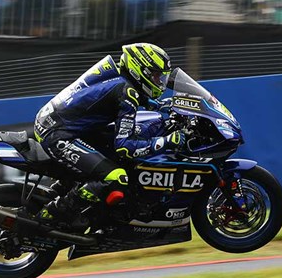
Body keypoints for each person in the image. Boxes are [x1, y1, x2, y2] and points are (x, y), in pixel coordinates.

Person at [32, 43, 183, 228]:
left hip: (63, 125)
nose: (160, 82)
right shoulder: (127, 92)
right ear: (139, 70)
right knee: (115, 176)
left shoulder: (122, 81)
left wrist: (159, 105)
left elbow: (116, 99)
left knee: (110, 156)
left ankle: (67, 196)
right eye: (156, 75)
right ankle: (53, 216)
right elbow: (124, 146)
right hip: (58, 133)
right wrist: (164, 142)